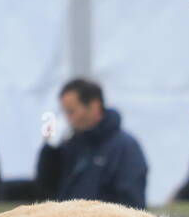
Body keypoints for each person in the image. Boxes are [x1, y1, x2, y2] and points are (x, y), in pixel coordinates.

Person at [36, 78, 148, 208]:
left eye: (71, 111)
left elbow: (131, 203)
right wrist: (50, 149)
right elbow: (47, 189)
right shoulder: (70, 145)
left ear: (94, 106)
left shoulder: (126, 147)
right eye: (65, 112)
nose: (67, 118)